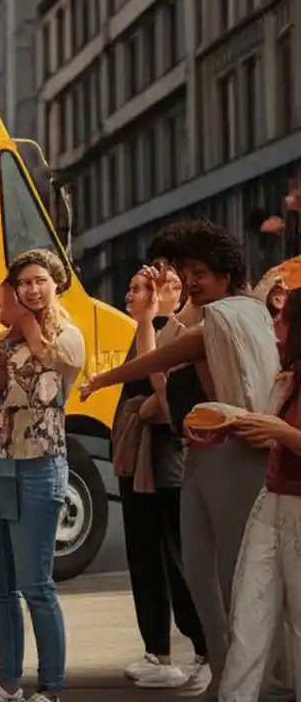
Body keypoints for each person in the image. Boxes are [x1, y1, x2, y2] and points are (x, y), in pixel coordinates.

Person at [80, 220, 291, 700]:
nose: (191, 280)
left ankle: (249, 680)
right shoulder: (215, 317)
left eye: (198, 271)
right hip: (202, 457)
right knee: (201, 573)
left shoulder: (231, 316)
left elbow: (159, 362)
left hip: (235, 459)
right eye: (184, 270)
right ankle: (226, 670)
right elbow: (165, 356)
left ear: (224, 270)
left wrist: (105, 378)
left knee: (230, 576)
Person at [0, 249, 85, 702]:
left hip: (40, 468)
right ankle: (8, 682)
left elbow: (42, 388)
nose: (31, 289)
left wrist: (19, 327)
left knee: (36, 584)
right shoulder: (3, 341)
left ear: (55, 284)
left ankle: (51, 687)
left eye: (38, 281)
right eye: (22, 283)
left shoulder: (69, 337)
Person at [112, 257, 210, 690]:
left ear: (175, 291)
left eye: (146, 288)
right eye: (134, 289)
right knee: (144, 558)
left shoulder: (177, 332)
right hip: (137, 462)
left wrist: (151, 320)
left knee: (178, 560)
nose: (136, 297)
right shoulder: (142, 331)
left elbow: (159, 386)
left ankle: (207, 649)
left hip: (167, 465)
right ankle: (158, 651)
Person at [220, 288, 301, 701]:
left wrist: (279, 432)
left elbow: (283, 437)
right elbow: (272, 439)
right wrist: (231, 426)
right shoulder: (288, 377)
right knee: (248, 620)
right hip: (272, 501)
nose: (275, 331)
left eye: (282, 321)